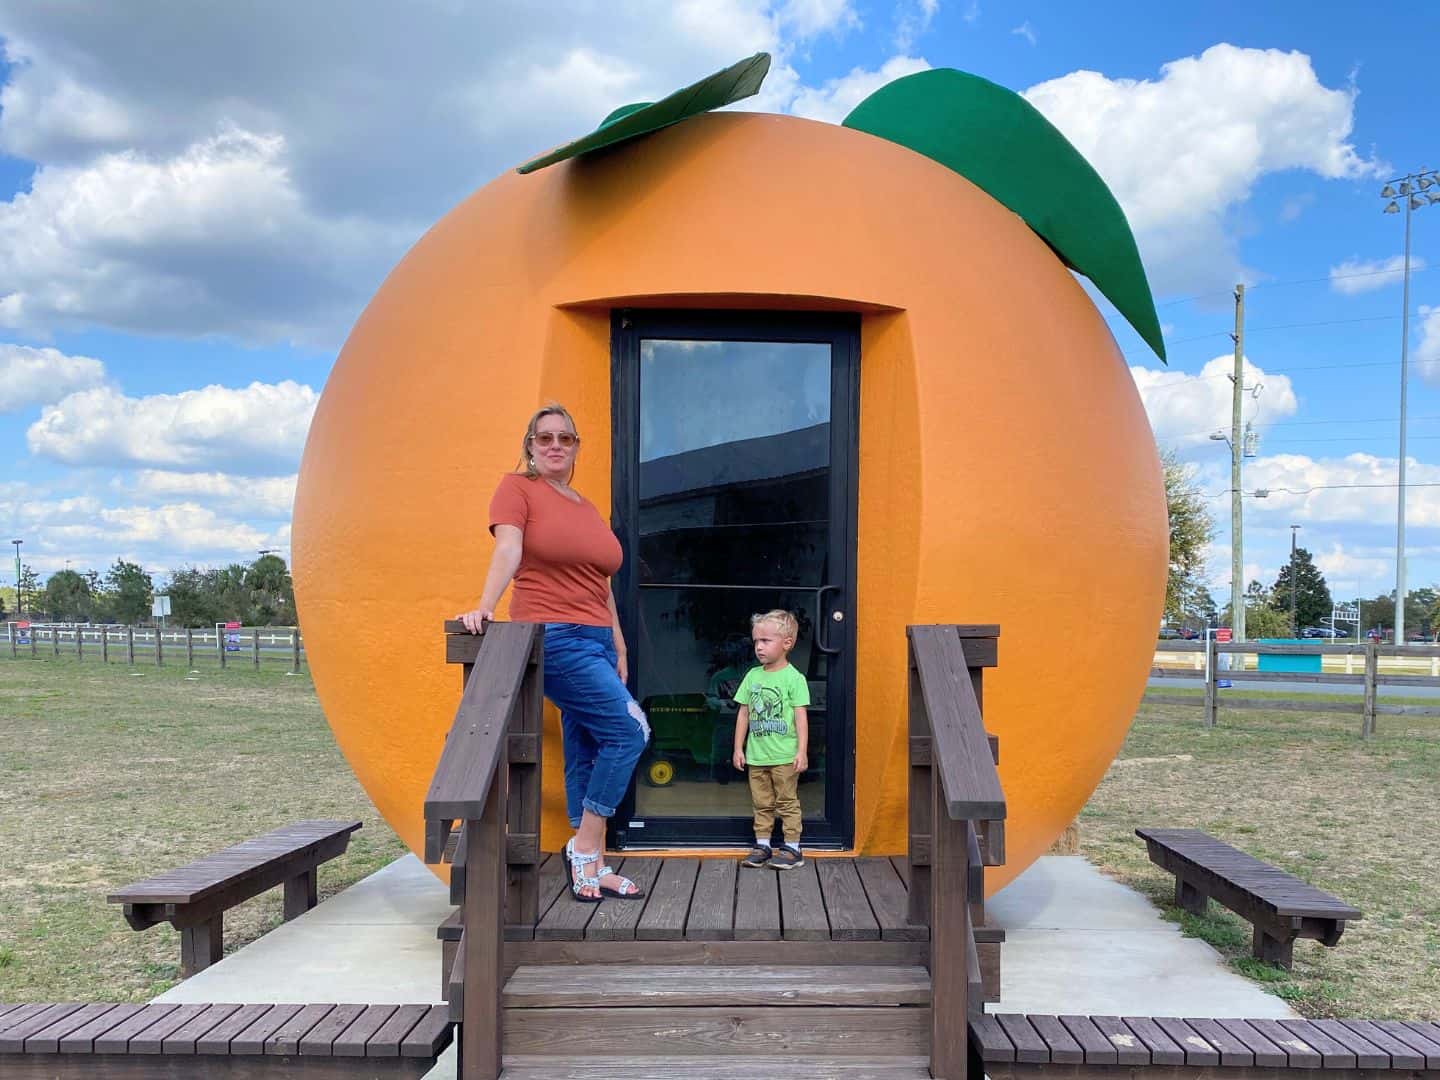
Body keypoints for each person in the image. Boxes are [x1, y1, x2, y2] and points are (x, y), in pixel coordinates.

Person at [457, 404, 649, 903]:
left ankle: (594, 866)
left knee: (587, 744)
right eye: (545, 438)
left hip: (597, 639)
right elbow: (508, 549)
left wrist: (619, 642)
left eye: (565, 437)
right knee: (630, 731)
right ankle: (583, 848)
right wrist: (485, 604)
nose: (556, 445)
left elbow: (600, 580)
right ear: (530, 445)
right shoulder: (517, 489)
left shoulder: (586, 507)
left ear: (577, 446)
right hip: (555, 635)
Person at [731, 610, 809, 870]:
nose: (759, 647)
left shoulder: (794, 678)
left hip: (785, 756)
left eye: (765, 641)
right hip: (757, 756)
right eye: (756, 641)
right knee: (761, 802)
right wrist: (738, 748)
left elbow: (800, 717)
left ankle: (792, 848)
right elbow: (744, 713)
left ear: (787, 643)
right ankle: (762, 844)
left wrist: (802, 751)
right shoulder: (753, 676)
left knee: (786, 802)